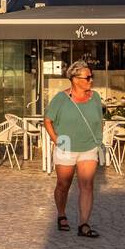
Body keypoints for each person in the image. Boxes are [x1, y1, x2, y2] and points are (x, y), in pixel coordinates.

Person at [43, 60, 104, 238]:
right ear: (75, 79)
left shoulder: (96, 97)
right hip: (66, 145)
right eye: (87, 77)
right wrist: (57, 141)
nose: (91, 80)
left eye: (92, 77)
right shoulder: (60, 99)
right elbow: (48, 121)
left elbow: (100, 120)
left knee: (87, 185)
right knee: (63, 185)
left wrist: (98, 140)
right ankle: (61, 215)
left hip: (89, 146)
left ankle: (84, 224)